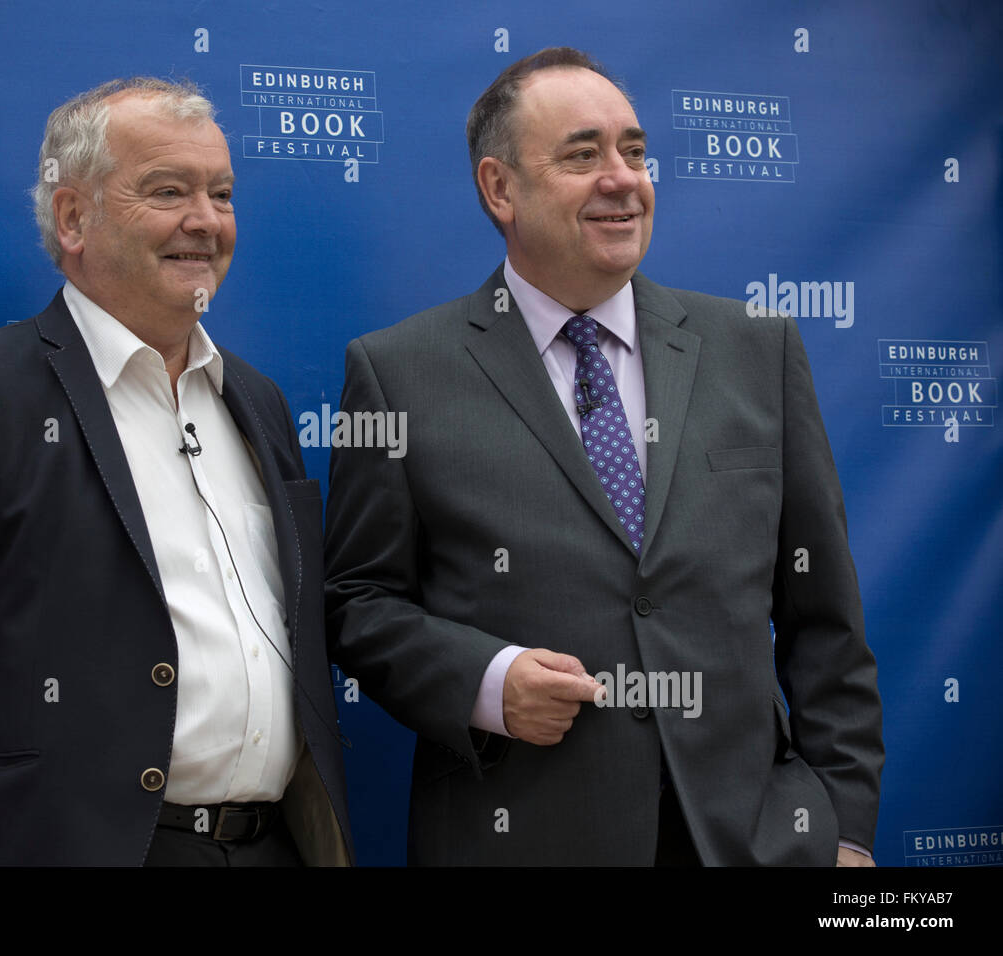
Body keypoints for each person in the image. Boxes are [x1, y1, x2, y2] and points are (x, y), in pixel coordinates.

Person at [324, 48, 882, 866]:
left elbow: (824, 616)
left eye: (634, 150)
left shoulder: (756, 348)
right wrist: (487, 681)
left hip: (755, 839)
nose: (623, 179)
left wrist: (846, 828)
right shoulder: (398, 372)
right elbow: (357, 602)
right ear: (500, 188)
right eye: (583, 155)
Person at [0, 77, 352, 866]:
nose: (206, 221)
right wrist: (12, 820)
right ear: (74, 218)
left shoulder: (258, 401)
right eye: (168, 191)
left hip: (272, 847)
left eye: (221, 193)